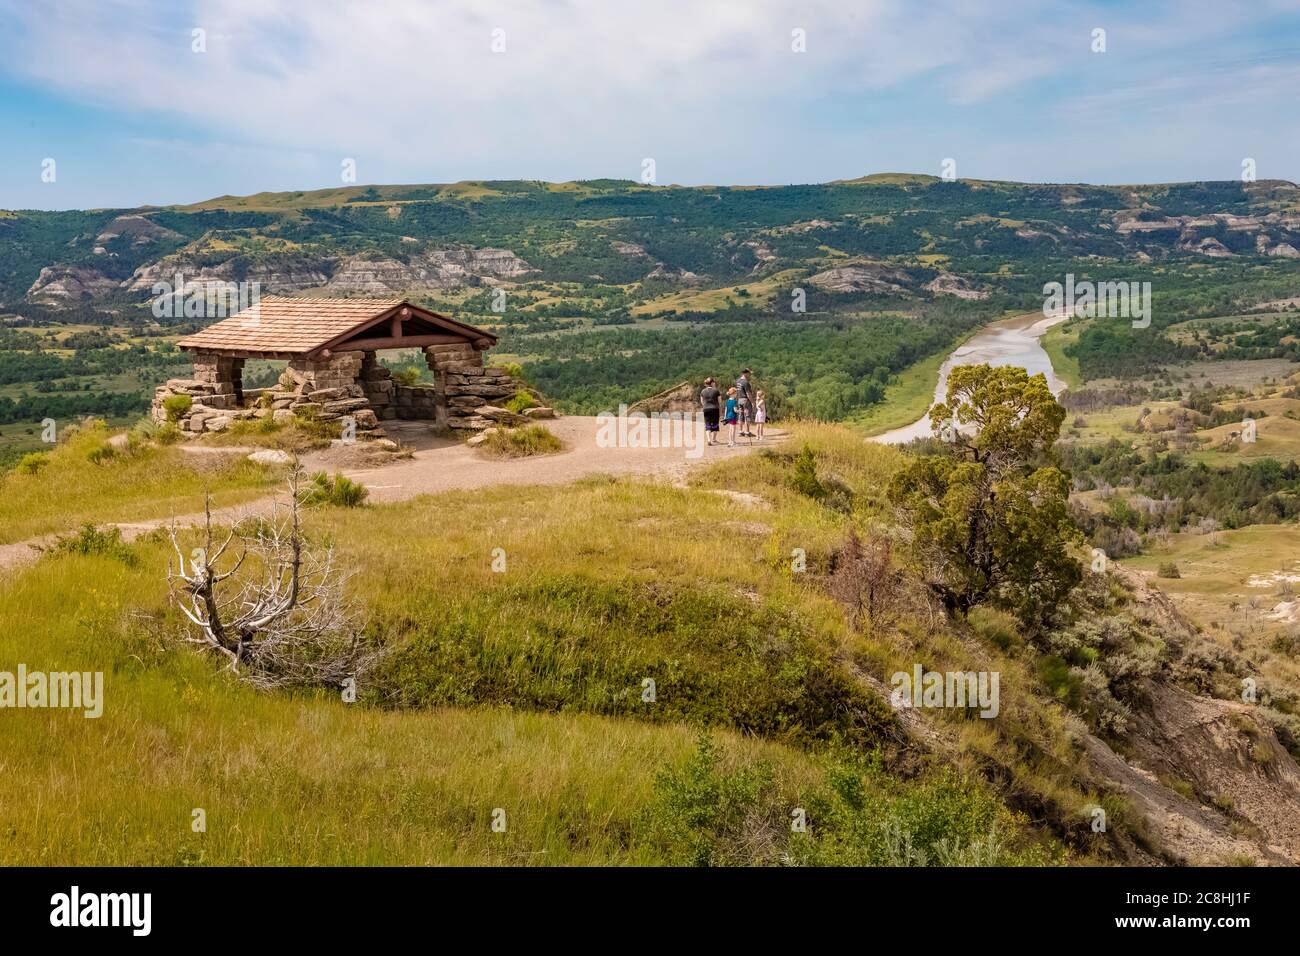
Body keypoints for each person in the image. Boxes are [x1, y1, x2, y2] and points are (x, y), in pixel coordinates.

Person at [699, 377, 721, 445]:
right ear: (712, 383)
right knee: (715, 424)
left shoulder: (703, 391)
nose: (715, 383)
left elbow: (702, 401)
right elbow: (719, 401)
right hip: (715, 409)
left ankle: (709, 439)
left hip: (706, 409)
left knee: (707, 424)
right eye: (714, 382)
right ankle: (714, 439)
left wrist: (705, 406)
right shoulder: (716, 391)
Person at [735, 369, 755, 437]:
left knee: (740, 415)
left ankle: (740, 431)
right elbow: (748, 393)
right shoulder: (746, 382)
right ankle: (747, 432)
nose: (750, 375)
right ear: (745, 373)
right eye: (749, 374)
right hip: (745, 400)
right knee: (747, 415)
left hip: (739, 399)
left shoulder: (738, 381)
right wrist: (752, 402)